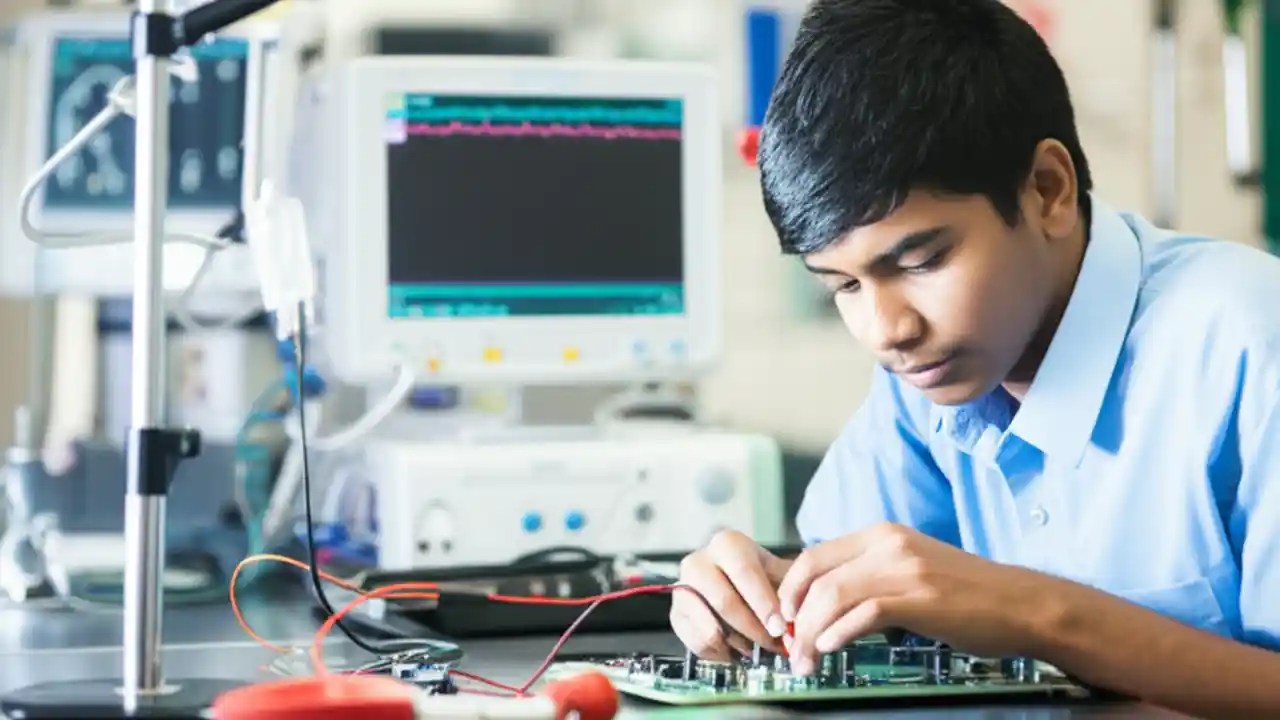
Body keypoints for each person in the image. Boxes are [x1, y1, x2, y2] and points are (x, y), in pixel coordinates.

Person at [670, 0, 1280, 717]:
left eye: (923, 259)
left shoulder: (1248, 344)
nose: (884, 329)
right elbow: (871, 590)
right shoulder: (930, 370)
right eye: (842, 284)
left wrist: (1036, 614)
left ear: (1048, 190)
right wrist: (767, 602)